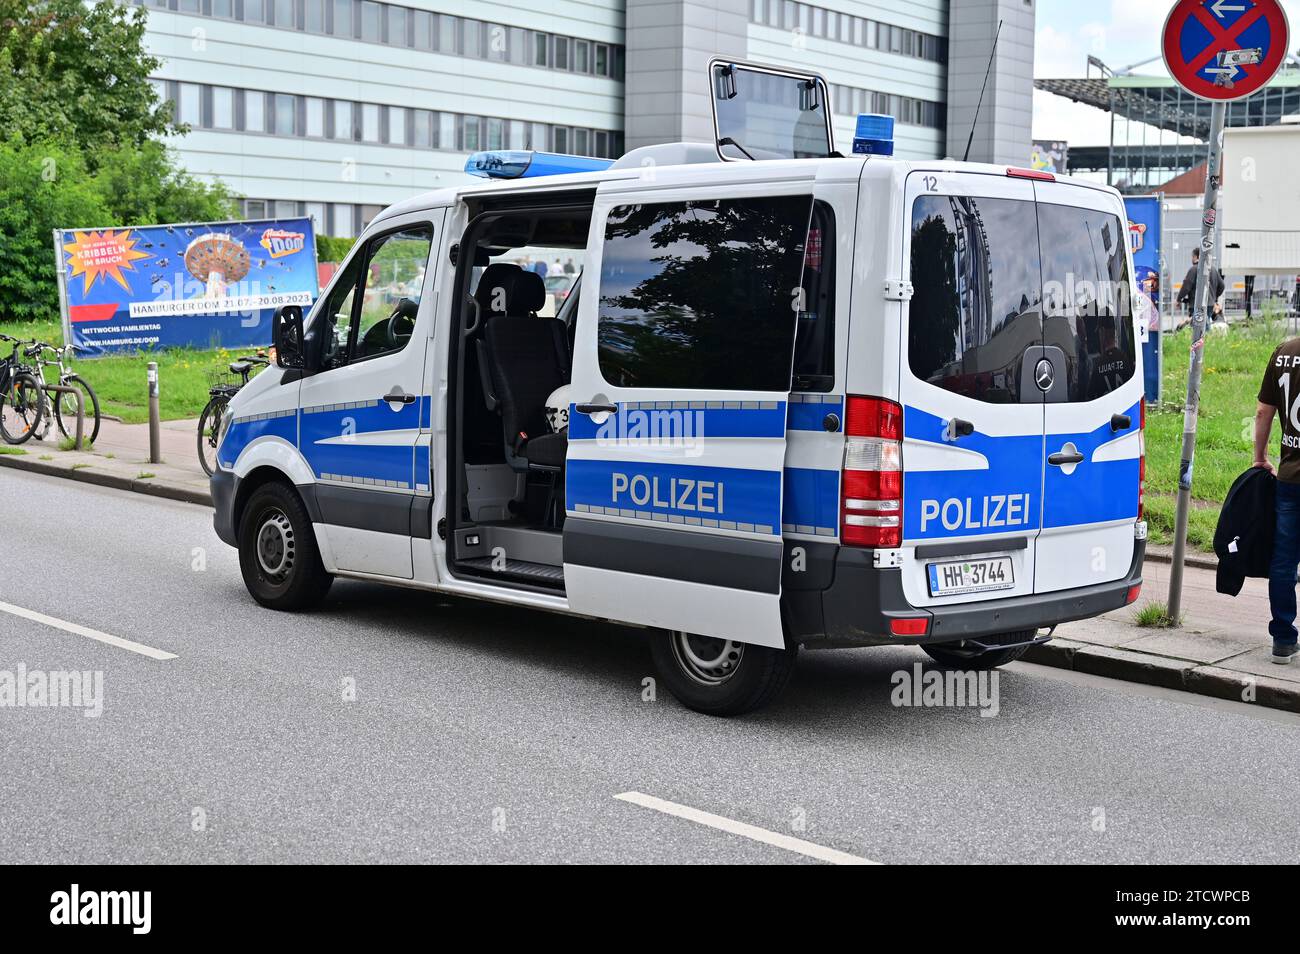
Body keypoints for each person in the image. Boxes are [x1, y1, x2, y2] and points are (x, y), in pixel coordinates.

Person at [1253, 338, 1300, 664]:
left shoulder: (1285, 352)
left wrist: (1260, 457)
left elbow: (1263, 411)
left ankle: (1282, 639)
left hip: (1290, 478)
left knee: (1284, 559)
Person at [1176, 247, 1225, 319]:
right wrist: (1214, 297)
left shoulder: (1194, 269)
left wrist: (1179, 299)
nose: (1192, 259)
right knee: (1206, 323)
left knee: (1196, 325)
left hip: (1196, 304)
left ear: (1196, 257)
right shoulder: (1213, 269)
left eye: (1192, 256)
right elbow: (1222, 286)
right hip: (1210, 304)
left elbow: (1186, 287)